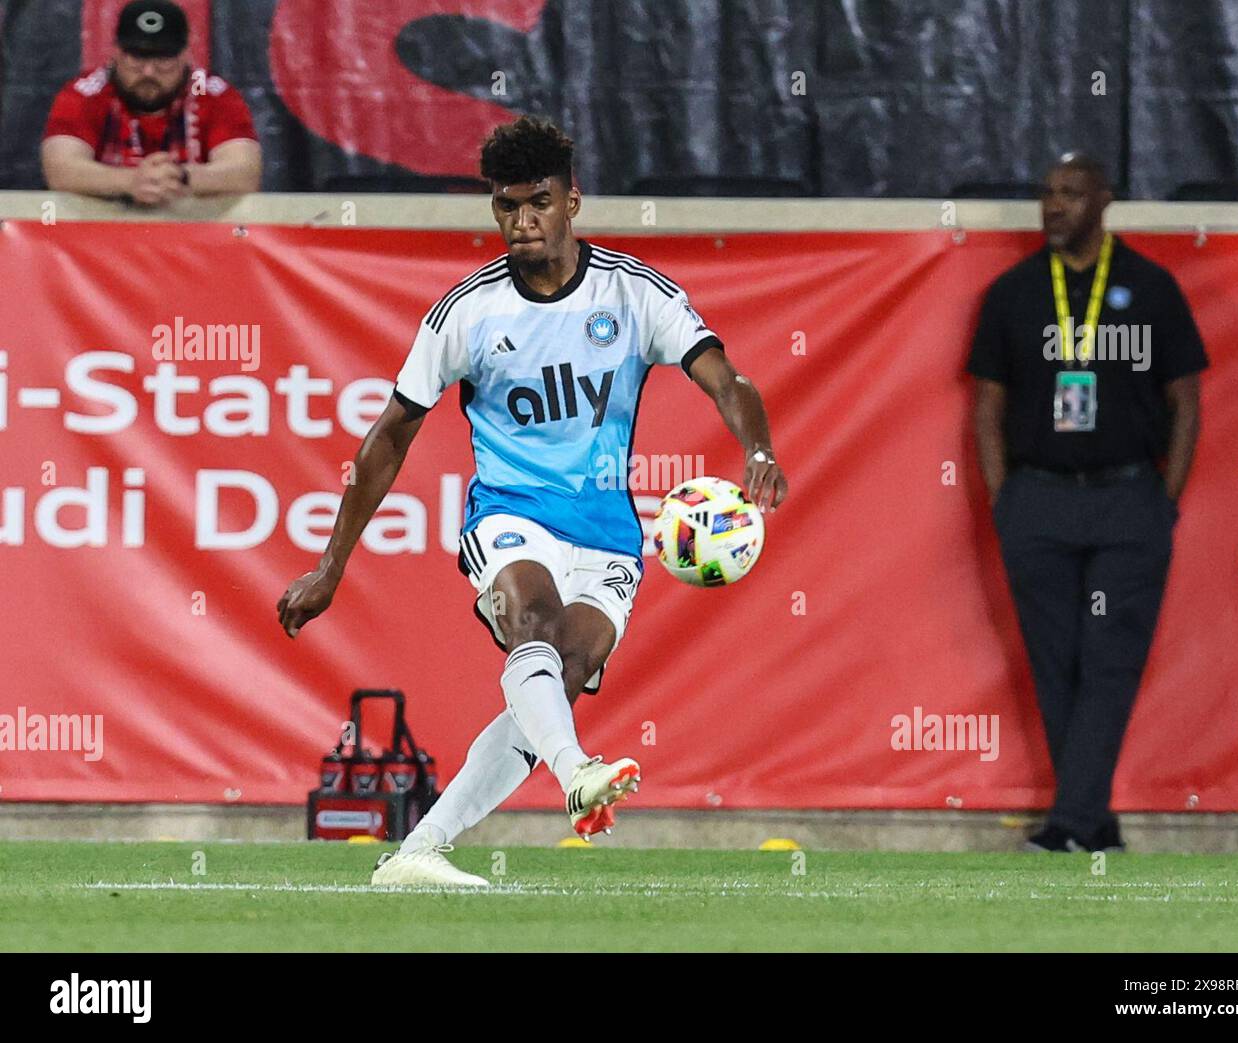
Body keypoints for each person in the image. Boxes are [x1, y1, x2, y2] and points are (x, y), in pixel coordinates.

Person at [277, 116, 788, 887]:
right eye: (507, 206)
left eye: (538, 203)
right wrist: (329, 566)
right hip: (510, 513)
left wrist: (756, 449)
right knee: (535, 625)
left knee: (563, 670)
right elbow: (389, 436)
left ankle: (418, 851)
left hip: (610, 531)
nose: (522, 221)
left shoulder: (633, 292)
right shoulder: (469, 312)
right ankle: (577, 771)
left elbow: (728, 379)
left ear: (572, 201)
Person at [968, 153, 1207, 854]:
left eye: (1070, 194)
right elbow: (987, 405)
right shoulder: (1012, 293)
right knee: (1055, 662)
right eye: (1046, 193)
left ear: (1104, 201)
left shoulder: (1151, 288)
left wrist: (1164, 503)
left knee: (1110, 661)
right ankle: (1093, 824)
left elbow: (1187, 401)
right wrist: (1004, 499)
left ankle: (1071, 824)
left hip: (1128, 497)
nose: (1053, 205)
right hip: (1038, 500)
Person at [41, 1, 260, 206]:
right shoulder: (85, 93)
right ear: (116, 52)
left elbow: (244, 172)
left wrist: (180, 177)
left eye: (162, 59)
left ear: (185, 55)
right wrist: (130, 181)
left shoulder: (214, 93)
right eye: (137, 58)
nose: (148, 72)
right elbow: (60, 169)